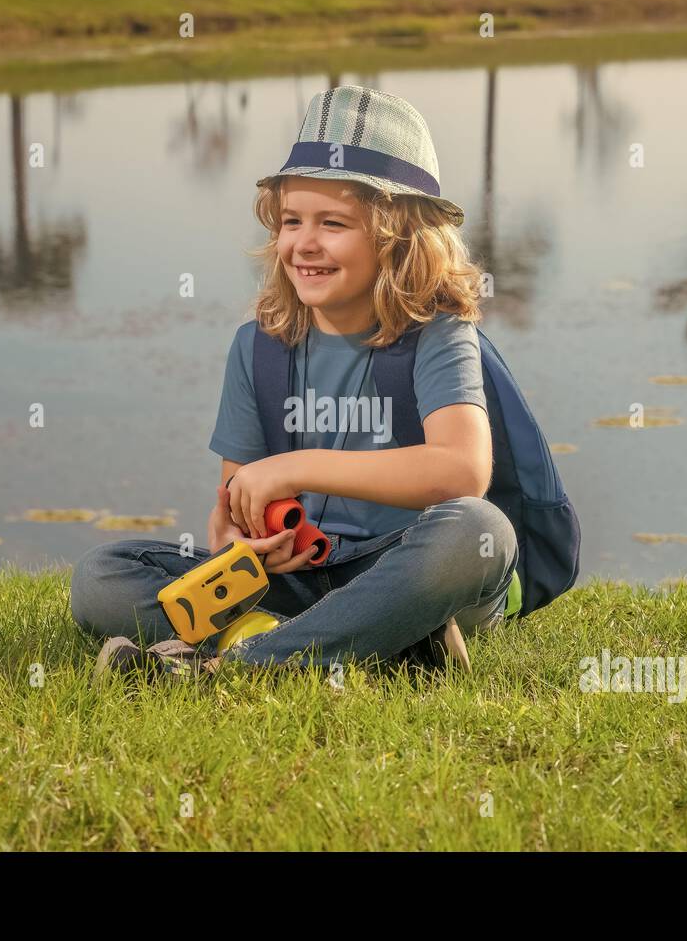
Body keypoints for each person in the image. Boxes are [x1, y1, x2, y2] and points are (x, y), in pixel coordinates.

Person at [71, 85, 519, 678]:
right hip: (299, 577)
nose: (303, 244)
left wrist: (296, 466)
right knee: (100, 577)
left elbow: (462, 471)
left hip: (407, 568)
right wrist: (240, 542)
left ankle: (244, 662)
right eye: (291, 221)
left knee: (480, 531)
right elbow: (234, 503)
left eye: (333, 223)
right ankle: (383, 646)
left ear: (399, 238)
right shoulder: (256, 346)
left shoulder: (438, 335)